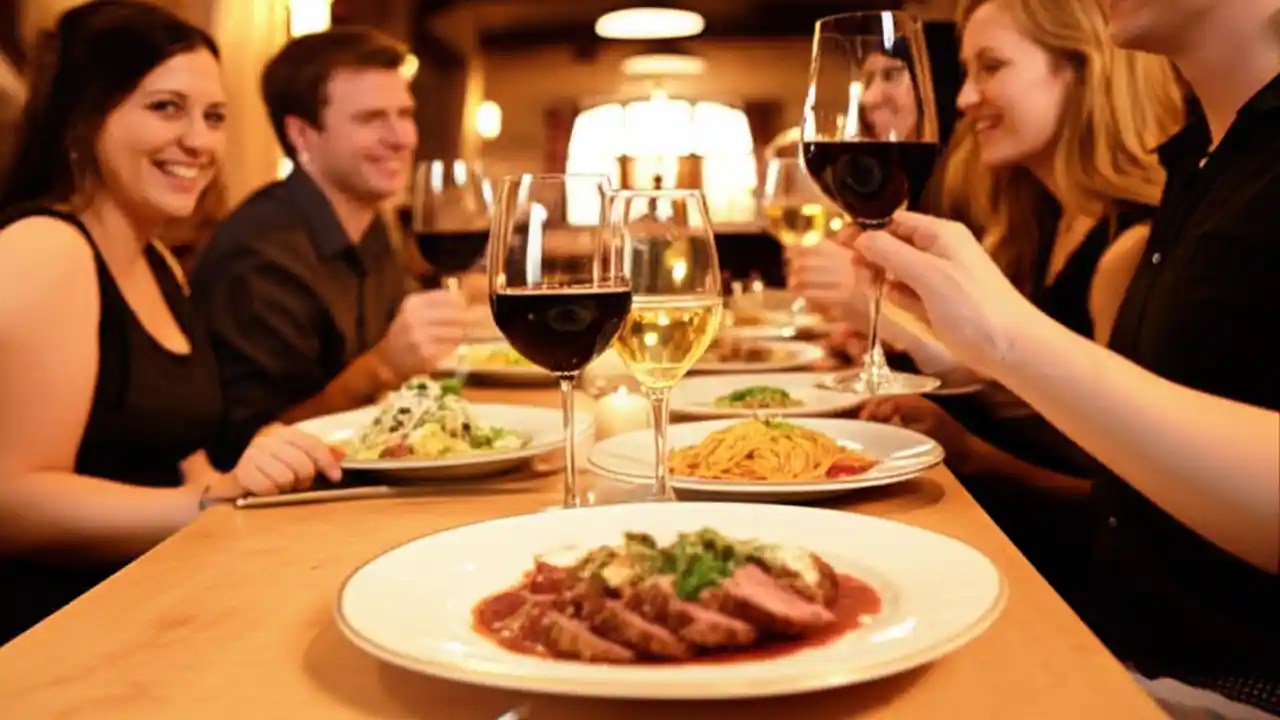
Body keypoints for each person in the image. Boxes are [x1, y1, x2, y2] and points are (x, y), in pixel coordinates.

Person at [847, 0, 1280, 710]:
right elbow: (1128, 510)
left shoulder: (1141, 225)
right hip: (1118, 644)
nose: (963, 100)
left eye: (993, 67)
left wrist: (1004, 342)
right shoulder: (1199, 162)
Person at [793, 0, 1184, 600]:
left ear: (1082, 70)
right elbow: (1019, 400)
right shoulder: (1032, 226)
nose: (963, 99)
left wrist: (970, 450)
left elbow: (1117, 503)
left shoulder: (1128, 248)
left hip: (1077, 595)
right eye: (967, 71)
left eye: (992, 68)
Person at [0, 0, 339, 644]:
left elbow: (188, 466)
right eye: (165, 107)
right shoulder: (45, 248)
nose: (199, 141)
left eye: (214, 117)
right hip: (47, 636)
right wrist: (211, 503)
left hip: (159, 601)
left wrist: (271, 475)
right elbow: (10, 500)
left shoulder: (156, 260)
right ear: (82, 116)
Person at [192, 28, 465, 469]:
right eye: (372, 118)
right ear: (302, 134)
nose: (401, 138)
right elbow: (253, 449)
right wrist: (382, 367)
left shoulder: (374, 227)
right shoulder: (259, 255)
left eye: (405, 114)